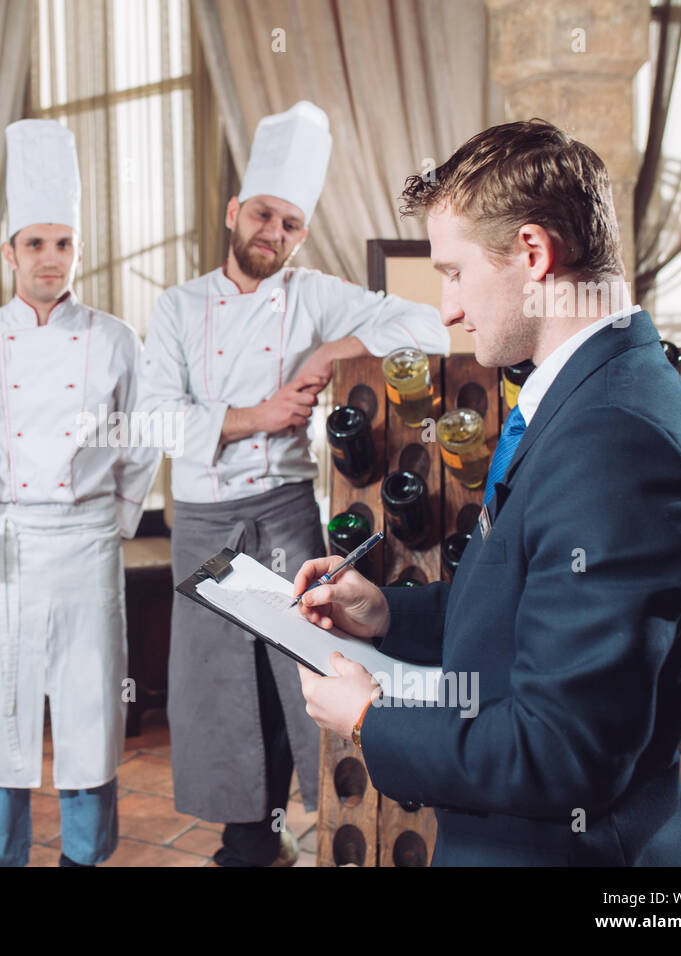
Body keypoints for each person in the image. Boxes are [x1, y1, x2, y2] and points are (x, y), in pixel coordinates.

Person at [295, 118, 681, 866]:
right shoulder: (596, 393)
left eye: (455, 273)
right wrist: (385, 615)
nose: (448, 309)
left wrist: (372, 719)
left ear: (533, 254)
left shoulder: (617, 446)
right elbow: (527, 604)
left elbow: (562, 754)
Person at [137, 101, 450, 867]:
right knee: (218, 685)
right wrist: (262, 412)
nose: (273, 235)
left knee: (297, 665)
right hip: (206, 519)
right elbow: (154, 421)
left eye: (291, 225)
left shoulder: (311, 295)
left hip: (282, 511)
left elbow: (431, 327)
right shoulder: (177, 308)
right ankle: (245, 839)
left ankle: (328, 820)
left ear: (301, 235)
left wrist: (332, 350)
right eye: (265, 216)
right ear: (234, 212)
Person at [0, 119, 159, 867]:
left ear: (77, 252)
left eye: (63, 243)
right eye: (35, 243)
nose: (50, 259)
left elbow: (142, 438)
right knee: (0, 712)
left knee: (89, 710)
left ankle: (82, 858)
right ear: (9, 253)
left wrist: (115, 521)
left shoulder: (115, 338)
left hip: (87, 540)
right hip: (6, 542)